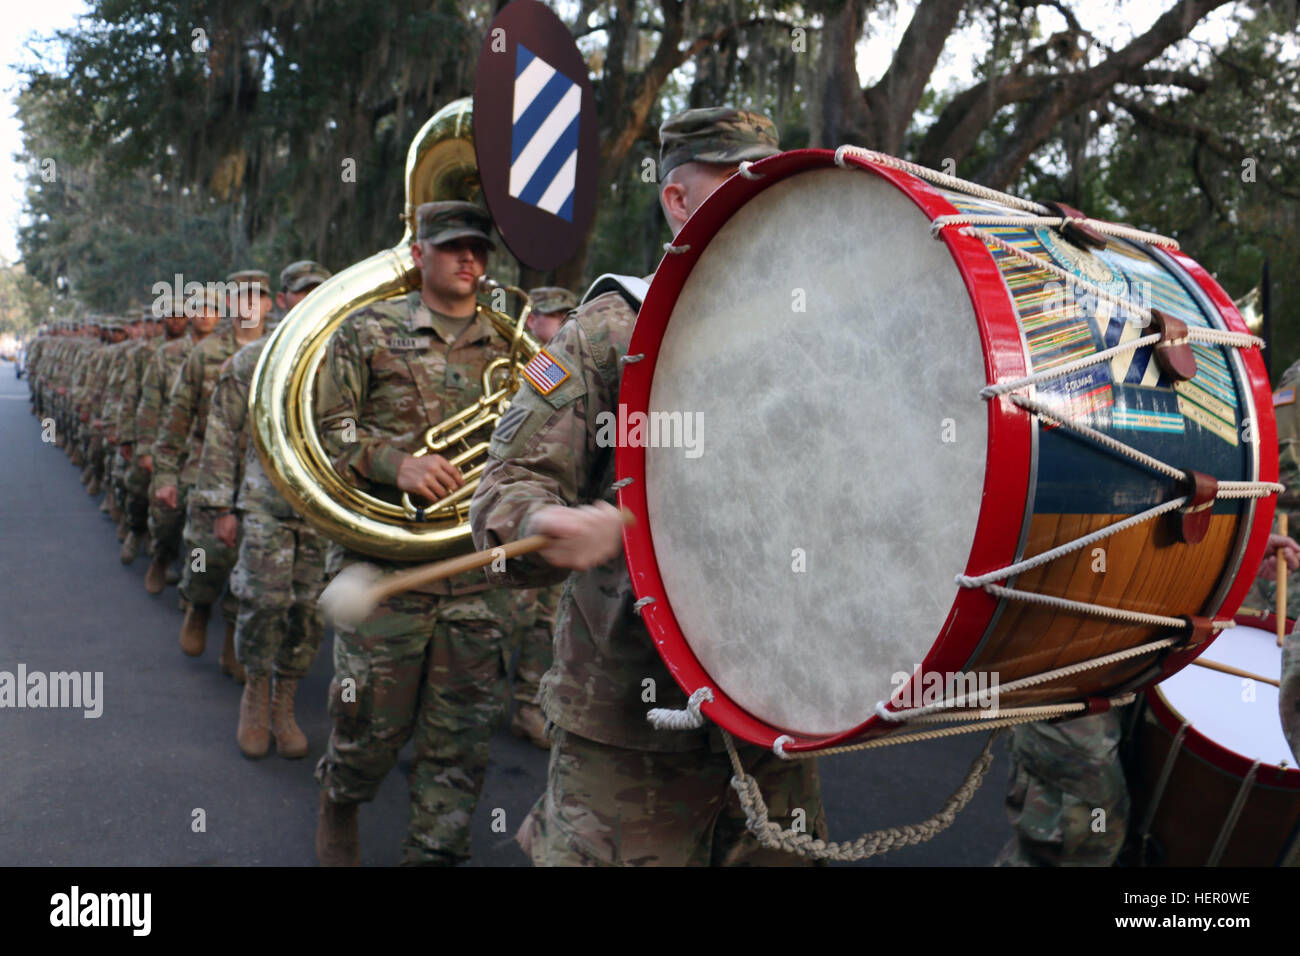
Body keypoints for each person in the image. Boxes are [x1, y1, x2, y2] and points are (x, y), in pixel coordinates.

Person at [469, 107, 829, 866]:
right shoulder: (605, 330)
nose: (760, 198)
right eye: (736, 179)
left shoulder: (816, 333)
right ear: (677, 200)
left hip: (774, 711)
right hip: (630, 719)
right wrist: (547, 524)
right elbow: (505, 486)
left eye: (767, 179)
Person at [313, 201, 518, 866]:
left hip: (475, 570)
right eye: (455, 246)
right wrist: (392, 462)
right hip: (388, 563)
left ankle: (433, 852)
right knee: (371, 725)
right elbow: (326, 430)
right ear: (419, 254)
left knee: (461, 738)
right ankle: (341, 799)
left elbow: (551, 431)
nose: (470, 260)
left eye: (479, 249)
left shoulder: (515, 345)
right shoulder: (366, 330)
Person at [995, 530, 1300, 866]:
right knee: (1085, 833)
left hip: (1147, 640)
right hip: (1071, 646)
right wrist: (1228, 549)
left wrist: (1234, 557)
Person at [193, 260, 332, 759]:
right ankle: (255, 694)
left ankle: (284, 703)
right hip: (264, 504)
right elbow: (221, 437)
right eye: (303, 292)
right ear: (286, 302)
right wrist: (220, 507)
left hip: (323, 514)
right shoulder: (251, 361)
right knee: (264, 602)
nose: (311, 299)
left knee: (308, 612)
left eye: (321, 291)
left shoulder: (345, 361)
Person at [154, 271, 272, 675]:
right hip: (209, 466)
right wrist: (166, 474)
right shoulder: (205, 354)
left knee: (251, 560)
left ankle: (231, 639)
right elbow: (177, 416)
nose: (248, 304)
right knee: (205, 552)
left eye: (257, 297)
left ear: (269, 304)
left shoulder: (281, 349)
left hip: (263, 476)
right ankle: (200, 604)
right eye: (240, 297)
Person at [504, 285, 578, 750]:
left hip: (561, 507)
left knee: (546, 619)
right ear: (533, 321)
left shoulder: (567, 363)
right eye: (552, 317)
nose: (561, 324)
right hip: (513, 508)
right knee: (507, 614)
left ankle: (529, 703)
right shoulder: (523, 361)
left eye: (566, 315)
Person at [137, 289, 220, 594]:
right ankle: (161, 556)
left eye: (211, 308)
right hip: (172, 448)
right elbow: (149, 403)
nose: (204, 314)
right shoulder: (167, 355)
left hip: (210, 455)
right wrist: (145, 448)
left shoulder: (227, 355)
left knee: (202, 529)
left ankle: (192, 584)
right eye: (198, 309)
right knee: (167, 517)